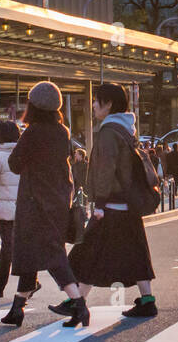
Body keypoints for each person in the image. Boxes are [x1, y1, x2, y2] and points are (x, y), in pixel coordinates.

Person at [65, 82, 159, 320]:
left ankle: (77, 302)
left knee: (89, 251)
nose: (94, 105)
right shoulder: (126, 129)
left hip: (112, 205)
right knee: (133, 252)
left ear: (108, 104)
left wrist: (100, 204)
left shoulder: (108, 132)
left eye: (97, 100)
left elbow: (105, 170)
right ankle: (146, 300)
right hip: (126, 204)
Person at [2, 82, 86, 327]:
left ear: (34, 105)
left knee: (52, 255)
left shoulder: (33, 132)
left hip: (35, 204)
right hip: (58, 201)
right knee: (31, 253)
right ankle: (17, 308)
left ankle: (79, 305)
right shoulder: (63, 132)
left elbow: (14, 164)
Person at [0, 120, 23, 298]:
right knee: (16, 246)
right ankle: (29, 281)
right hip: (22, 207)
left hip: (2, 209)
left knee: (8, 247)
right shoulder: (24, 154)